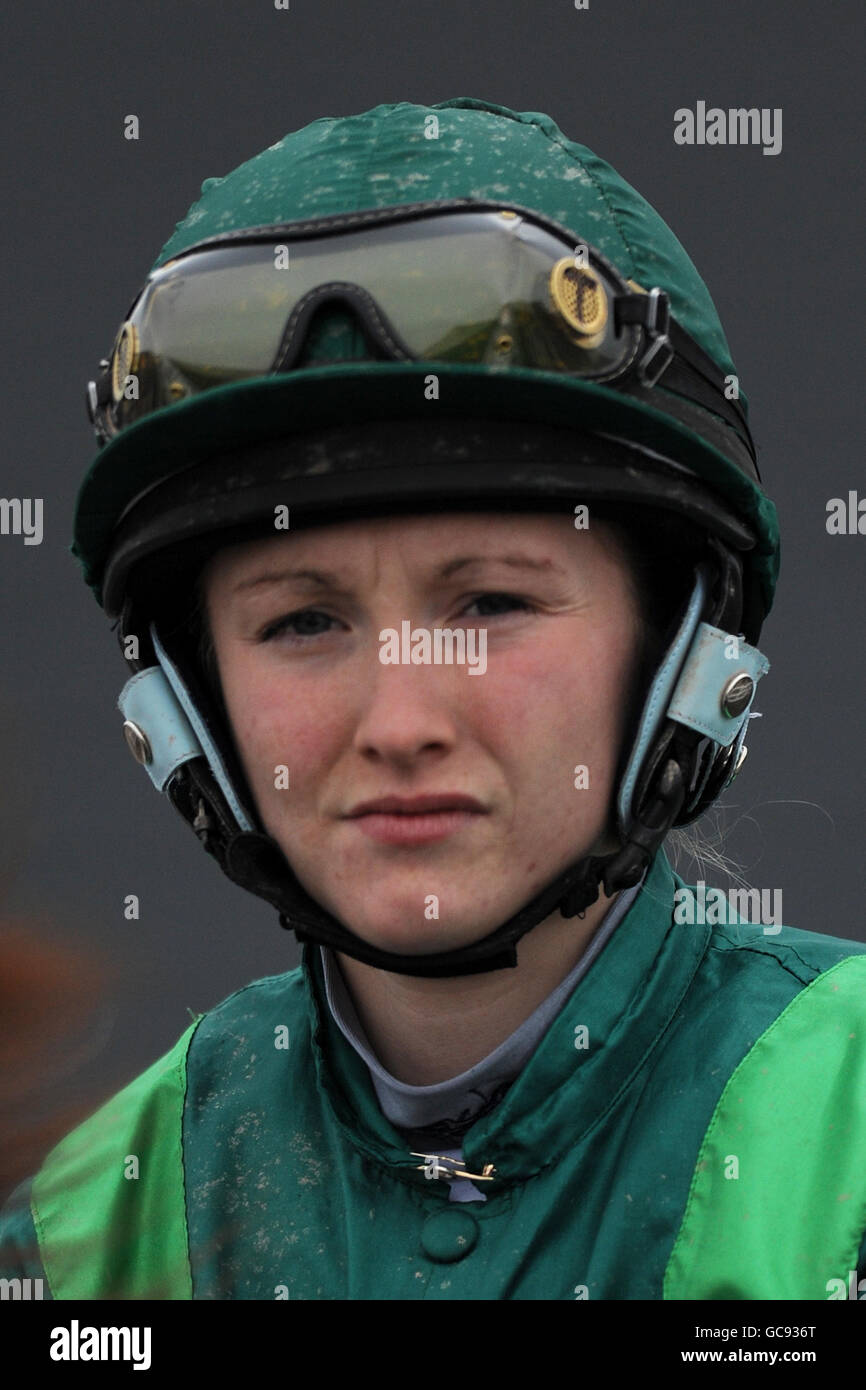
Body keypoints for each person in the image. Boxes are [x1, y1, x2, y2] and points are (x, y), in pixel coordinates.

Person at [2, 96, 865, 1302]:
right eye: (302, 622)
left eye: (490, 605)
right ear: (184, 701)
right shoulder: (81, 1228)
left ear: (682, 647)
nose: (400, 721)